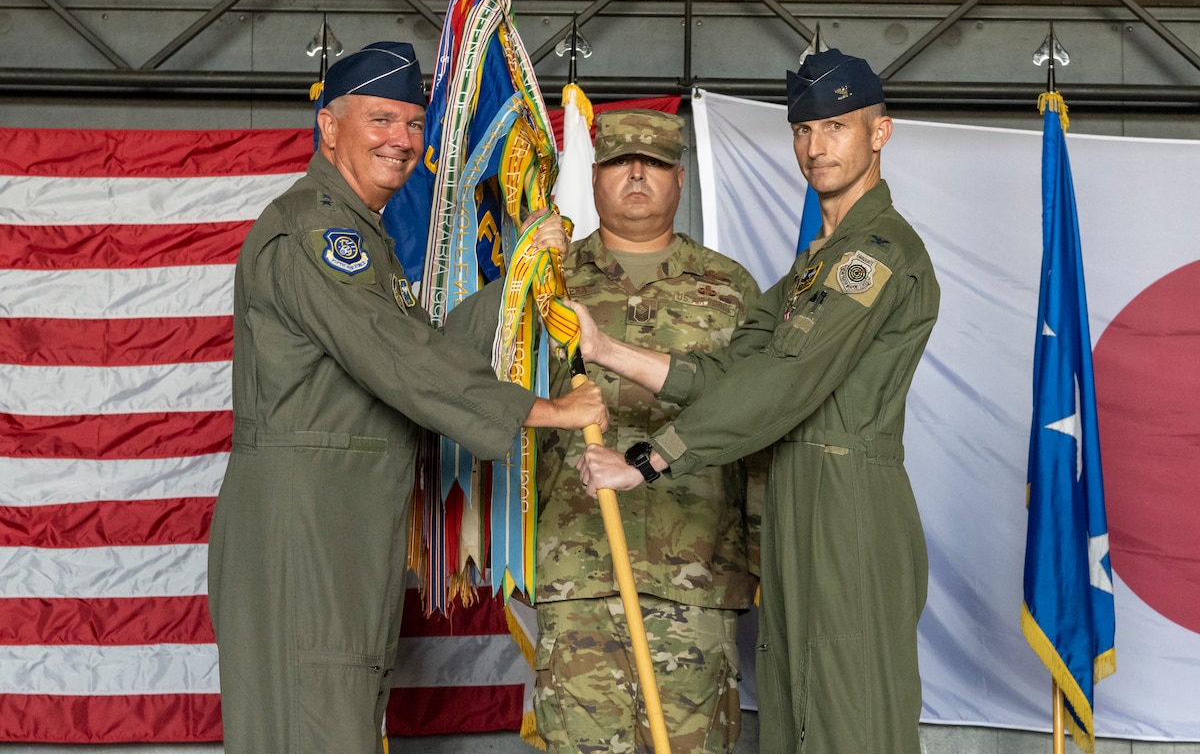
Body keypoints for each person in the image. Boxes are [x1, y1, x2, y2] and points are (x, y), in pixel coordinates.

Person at [206, 41, 607, 754]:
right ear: (329, 126)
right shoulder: (317, 233)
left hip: (342, 517)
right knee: (317, 726)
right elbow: (397, 360)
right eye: (382, 118)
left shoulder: (365, 237)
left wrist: (517, 276)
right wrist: (537, 411)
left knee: (338, 718)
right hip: (309, 522)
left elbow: (425, 346)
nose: (403, 140)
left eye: (415, 124)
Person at [574, 49, 940, 754]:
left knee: (850, 719)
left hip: (849, 499)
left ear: (880, 132)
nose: (815, 146)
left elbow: (785, 382)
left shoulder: (878, 254)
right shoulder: (817, 264)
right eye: (804, 130)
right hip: (798, 493)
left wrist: (647, 461)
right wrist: (609, 351)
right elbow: (735, 371)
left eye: (836, 126)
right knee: (795, 716)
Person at [532, 109, 764, 754]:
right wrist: (518, 265)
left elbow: (755, 415)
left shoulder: (731, 289)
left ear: (680, 179)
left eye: (655, 163)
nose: (637, 174)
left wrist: (760, 556)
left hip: (695, 572)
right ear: (596, 175)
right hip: (577, 567)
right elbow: (488, 387)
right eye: (619, 162)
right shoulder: (547, 279)